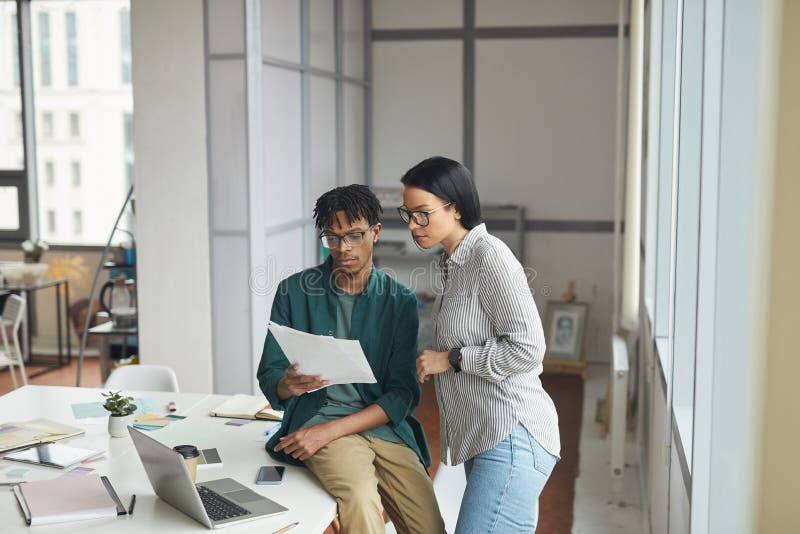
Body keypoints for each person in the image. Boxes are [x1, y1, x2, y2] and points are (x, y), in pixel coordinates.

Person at [257, 184, 444, 534]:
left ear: (375, 232)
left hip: (379, 426)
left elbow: (403, 393)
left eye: (354, 236)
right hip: (317, 417)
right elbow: (269, 375)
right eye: (332, 237)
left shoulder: (399, 301)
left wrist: (330, 431)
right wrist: (287, 385)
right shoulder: (293, 291)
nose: (342, 248)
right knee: (360, 499)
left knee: (429, 525)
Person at [400, 156, 561, 533]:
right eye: (407, 214)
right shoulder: (454, 261)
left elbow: (528, 349)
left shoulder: (490, 257)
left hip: (512, 437)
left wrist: (453, 359)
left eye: (422, 213)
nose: (412, 225)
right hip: (488, 437)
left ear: (454, 207)